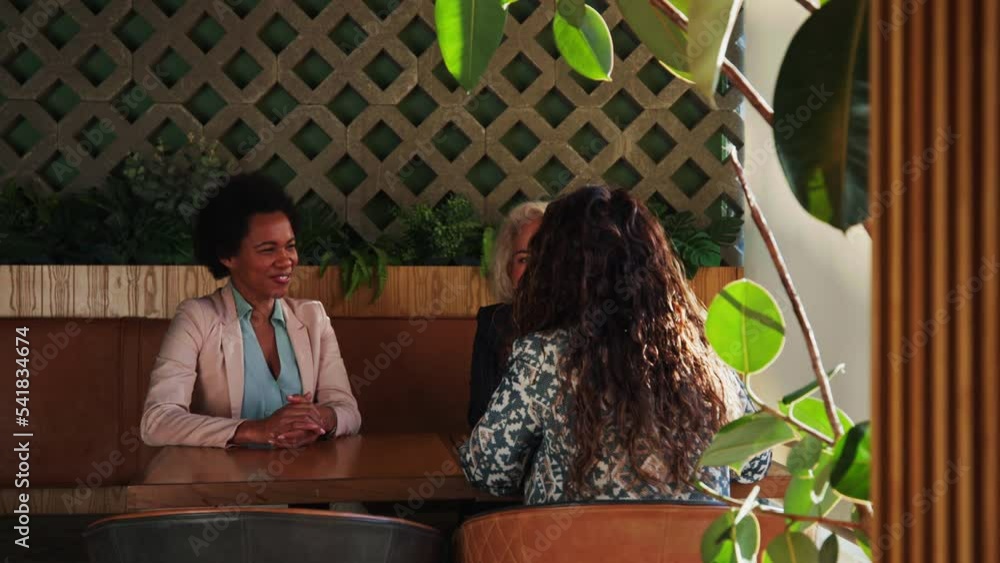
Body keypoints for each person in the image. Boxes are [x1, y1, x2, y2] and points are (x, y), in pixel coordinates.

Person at [460, 186, 770, 505]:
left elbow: (487, 470)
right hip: (697, 550)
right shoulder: (704, 347)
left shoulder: (544, 353)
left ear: (558, 269)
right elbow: (755, 462)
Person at [140, 174, 361, 449]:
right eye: (268, 249)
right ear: (227, 256)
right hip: (224, 485)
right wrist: (256, 430)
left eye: (290, 246)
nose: (286, 260)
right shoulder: (197, 317)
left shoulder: (313, 318)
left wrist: (319, 417)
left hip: (306, 482)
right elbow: (157, 421)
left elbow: (348, 411)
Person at [467, 201, 547, 428]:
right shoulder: (493, 323)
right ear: (508, 269)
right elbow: (479, 418)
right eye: (523, 259)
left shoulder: (591, 323)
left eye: (544, 256)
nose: (534, 269)